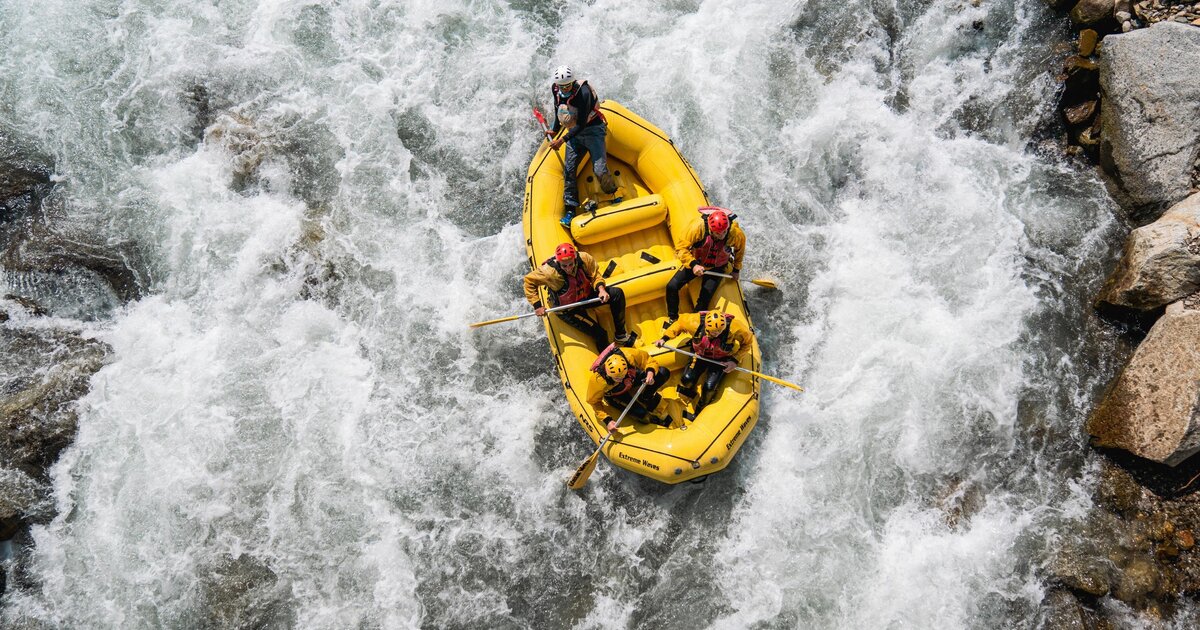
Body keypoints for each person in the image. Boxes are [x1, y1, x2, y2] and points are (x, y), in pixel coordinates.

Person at [523, 242, 629, 350]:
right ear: (559, 262)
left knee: (617, 293)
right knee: (601, 334)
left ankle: (621, 335)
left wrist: (601, 290)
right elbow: (529, 282)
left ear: (574, 258)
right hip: (568, 310)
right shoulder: (549, 272)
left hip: (586, 297)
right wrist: (537, 305)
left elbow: (595, 275)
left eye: (571, 264)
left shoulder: (584, 259)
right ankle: (604, 362)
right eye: (564, 266)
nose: (568, 268)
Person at [548, 65, 618, 227]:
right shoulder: (556, 89)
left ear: (572, 82)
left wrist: (561, 140)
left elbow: (580, 124)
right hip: (575, 134)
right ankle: (571, 208)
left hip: (593, 130)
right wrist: (554, 130)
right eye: (561, 86)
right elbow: (557, 109)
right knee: (569, 170)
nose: (564, 89)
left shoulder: (583, 93)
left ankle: (612, 192)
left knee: (599, 169)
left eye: (567, 85)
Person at [655, 310, 752, 417]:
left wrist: (735, 360)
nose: (717, 334)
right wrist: (664, 338)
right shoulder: (694, 322)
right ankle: (690, 389)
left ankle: (701, 406)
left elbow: (748, 342)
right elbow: (679, 323)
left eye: (719, 331)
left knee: (709, 387)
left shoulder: (735, 328)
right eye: (714, 332)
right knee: (686, 379)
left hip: (721, 359)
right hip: (700, 355)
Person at [664, 207, 746, 324]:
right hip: (696, 262)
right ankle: (673, 317)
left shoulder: (735, 233)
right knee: (672, 286)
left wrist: (736, 270)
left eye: (724, 231)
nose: (722, 235)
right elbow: (681, 248)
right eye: (718, 233)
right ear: (711, 230)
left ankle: (695, 322)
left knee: (704, 298)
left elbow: (740, 251)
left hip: (717, 267)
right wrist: (694, 265)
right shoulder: (698, 228)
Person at [586, 345, 671, 430]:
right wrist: (607, 420)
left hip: (631, 379)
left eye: (623, 375)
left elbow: (648, 360)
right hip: (617, 394)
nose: (621, 379)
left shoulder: (628, 355)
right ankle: (653, 420)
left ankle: (645, 397)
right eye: (617, 378)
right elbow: (594, 402)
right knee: (642, 414)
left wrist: (650, 372)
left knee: (663, 373)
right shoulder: (599, 381)